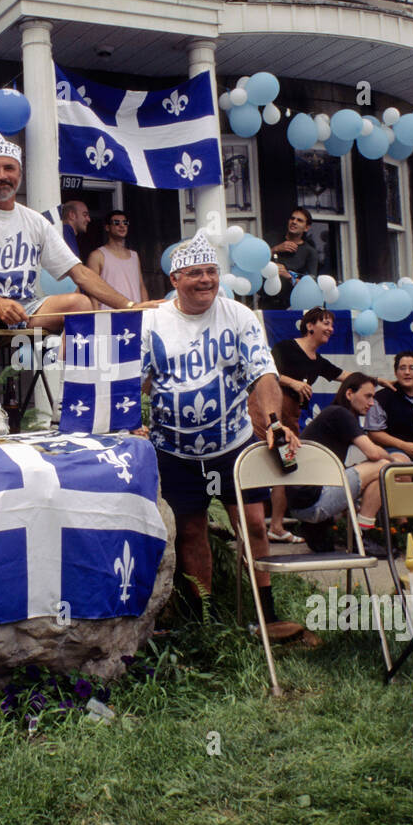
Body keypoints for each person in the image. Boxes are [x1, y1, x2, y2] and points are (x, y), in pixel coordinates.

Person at [140, 230, 307, 643]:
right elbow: (133, 380)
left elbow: (263, 374)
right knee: (192, 531)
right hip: (173, 448)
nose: (206, 280)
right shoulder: (152, 321)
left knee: (252, 524)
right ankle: (203, 623)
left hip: (232, 443)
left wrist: (272, 421)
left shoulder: (239, 315)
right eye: (195, 273)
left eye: (212, 272)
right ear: (175, 279)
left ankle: (267, 617)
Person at [0, 134, 143, 437]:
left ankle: (72, 397)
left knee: (80, 304)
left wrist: (130, 306)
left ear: (19, 174)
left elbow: (79, 273)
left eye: (9, 168)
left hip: (25, 305)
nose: (2, 176)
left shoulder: (34, 221)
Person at [268, 308, 395, 541]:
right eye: (325, 323)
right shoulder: (286, 347)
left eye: (332, 325)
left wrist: (377, 380)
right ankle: (273, 525)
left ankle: (280, 527)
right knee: (277, 468)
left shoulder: (318, 361)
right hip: (272, 415)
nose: (330, 329)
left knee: (288, 468)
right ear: (309, 326)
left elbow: (347, 377)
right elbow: (268, 373)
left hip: (292, 417)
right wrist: (294, 383)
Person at [286, 373, 401, 556]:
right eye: (368, 396)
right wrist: (395, 460)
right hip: (314, 502)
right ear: (349, 394)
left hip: (300, 504)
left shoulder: (334, 413)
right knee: (383, 466)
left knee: (370, 472)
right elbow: (372, 452)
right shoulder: (341, 414)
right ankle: (361, 536)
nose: (372, 402)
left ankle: (322, 531)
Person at [86, 210, 148, 310]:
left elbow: (141, 286)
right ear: (107, 227)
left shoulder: (134, 256)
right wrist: (96, 315)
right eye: (116, 223)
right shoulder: (97, 255)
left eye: (125, 223)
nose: (122, 226)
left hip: (135, 313)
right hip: (109, 316)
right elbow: (92, 290)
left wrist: (146, 311)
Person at [260, 206, 319, 309]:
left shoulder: (310, 252)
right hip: (266, 302)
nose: (294, 222)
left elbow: (310, 286)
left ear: (306, 228)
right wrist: (275, 249)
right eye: (292, 218)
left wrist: (287, 275)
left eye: (299, 220)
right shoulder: (272, 238)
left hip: (290, 306)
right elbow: (255, 261)